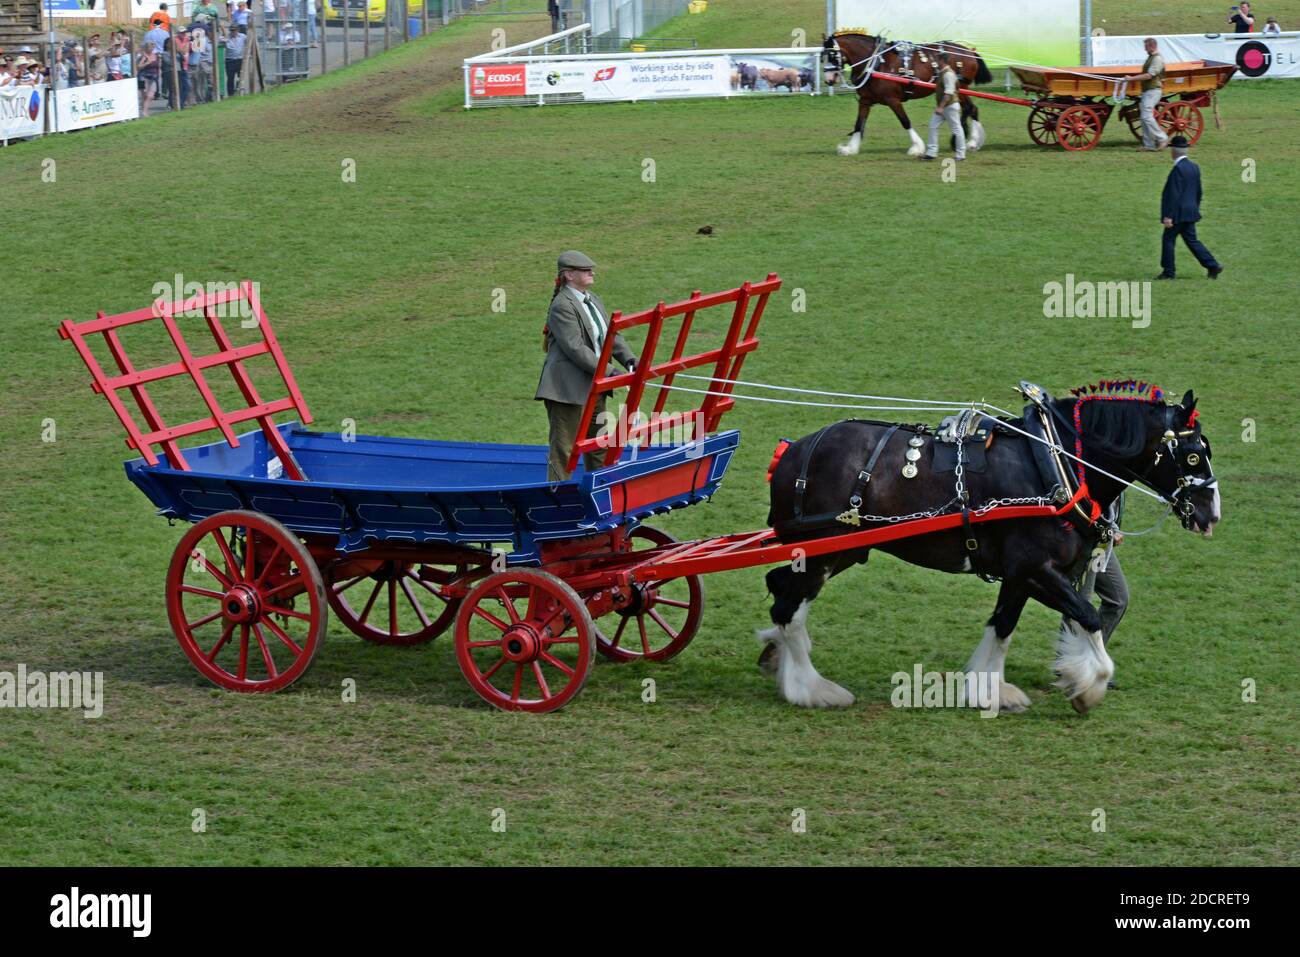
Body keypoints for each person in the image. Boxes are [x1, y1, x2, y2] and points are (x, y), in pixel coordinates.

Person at [535, 251, 638, 482]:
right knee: (564, 449)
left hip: (594, 386)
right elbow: (575, 348)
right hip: (567, 390)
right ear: (569, 275)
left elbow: (610, 335)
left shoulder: (593, 299)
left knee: (599, 444)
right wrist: (610, 371)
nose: (591, 272)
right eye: (584, 269)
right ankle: (557, 499)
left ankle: (601, 494)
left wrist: (630, 359)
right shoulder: (562, 306)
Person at [1075, 499, 1128, 688]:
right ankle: (1074, 665)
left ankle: (1092, 658)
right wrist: (1109, 527)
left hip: (1102, 546)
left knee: (1118, 599)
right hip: (1087, 540)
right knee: (1082, 604)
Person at [1157, 135, 1224, 280]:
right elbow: (1198, 191)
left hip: (1177, 213)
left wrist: (1168, 216)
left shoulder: (1177, 170)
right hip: (1190, 211)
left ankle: (1168, 272)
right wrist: (1195, 208)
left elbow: (1173, 194)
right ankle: (1213, 265)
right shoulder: (1194, 167)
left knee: (1168, 240)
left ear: (1173, 152)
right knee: (1192, 241)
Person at [921, 50, 965, 162]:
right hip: (946, 106)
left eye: (937, 59)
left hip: (949, 106)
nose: (935, 61)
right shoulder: (943, 72)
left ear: (942, 60)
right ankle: (931, 152)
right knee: (933, 126)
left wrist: (941, 107)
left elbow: (949, 93)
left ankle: (961, 154)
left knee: (956, 129)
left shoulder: (948, 74)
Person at [1130, 37, 1169, 152]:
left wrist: (1131, 79)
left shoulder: (1157, 59)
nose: (1144, 49)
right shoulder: (1151, 57)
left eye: (1146, 47)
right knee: (1143, 117)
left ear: (1151, 46)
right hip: (1148, 90)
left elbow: (1149, 75)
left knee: (1146, 116)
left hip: (1153, 90)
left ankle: (1162, 138)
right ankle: (1149, 145)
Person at [138, 40, 161, 115]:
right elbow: (139, 66)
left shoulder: (156, 55)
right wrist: (147, 62)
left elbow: (158, 66)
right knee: (146, 95)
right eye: (150, 47)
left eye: (152, 47)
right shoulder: (144, 56)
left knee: (151, 96)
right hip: (145, 77)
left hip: (153, 77)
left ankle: (144, 110)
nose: (151, 48)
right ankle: (144, 111)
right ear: (146, 48)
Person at [225, 25, 246, 96]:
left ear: (237, 30)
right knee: (230, 78)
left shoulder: (243, 36)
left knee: (241, 77)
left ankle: (240, 91)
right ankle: (230, 94)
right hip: (230, 61)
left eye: (234, 30)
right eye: (231, 30)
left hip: (239, 60)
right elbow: (219, 41)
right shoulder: (226, 37)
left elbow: (249, 42)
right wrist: (223, 40)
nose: (233, 32)